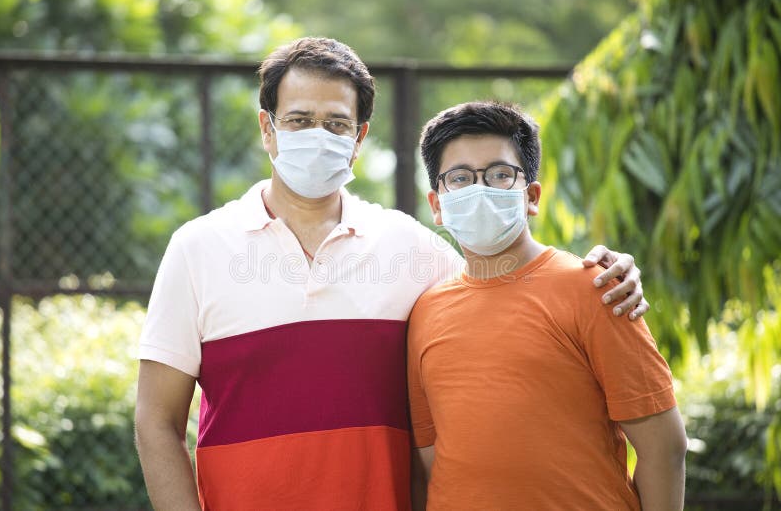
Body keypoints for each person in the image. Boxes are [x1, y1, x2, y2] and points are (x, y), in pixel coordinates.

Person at [135, 38, 650, 511]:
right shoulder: (196, 249)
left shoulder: (414, 249)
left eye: (336, 124)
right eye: (298, 120)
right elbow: (157, 422)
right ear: (268, 129)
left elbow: (505, 283)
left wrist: (606, 270)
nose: (318, 136)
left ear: (358, 138)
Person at [408, 101, 687, 511]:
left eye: (501, 175)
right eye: (461, 178)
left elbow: (664, 448)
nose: (480, 189)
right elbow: (431, 458)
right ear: (436, 205)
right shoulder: (425, 312)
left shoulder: (598, 287)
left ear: (531, 196)